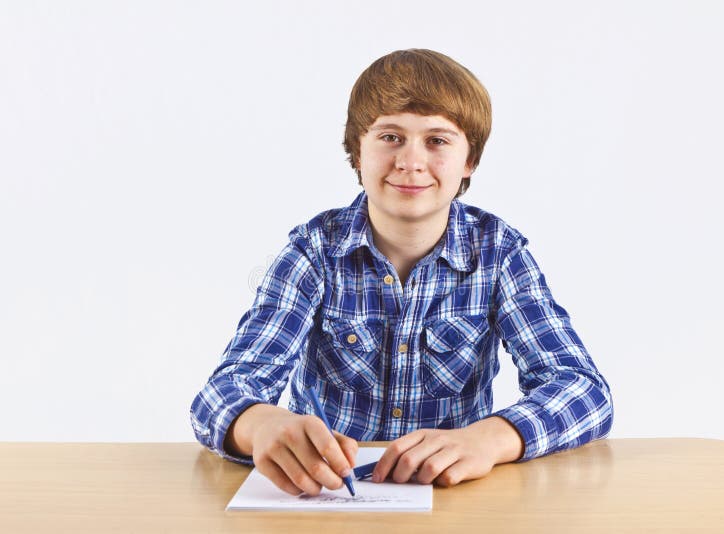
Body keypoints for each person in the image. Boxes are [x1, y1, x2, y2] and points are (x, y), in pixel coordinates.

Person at [190, 48, 613, 496]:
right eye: (390, 137)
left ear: (469, 161)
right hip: (326, 498)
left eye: (437, 141)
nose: (411, 162)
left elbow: (583, 389)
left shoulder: (498, 253)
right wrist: (262, 424)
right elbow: (222, 393)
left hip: (454, 499)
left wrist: (487, 440)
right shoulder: (313, 251)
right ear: (358, 151)